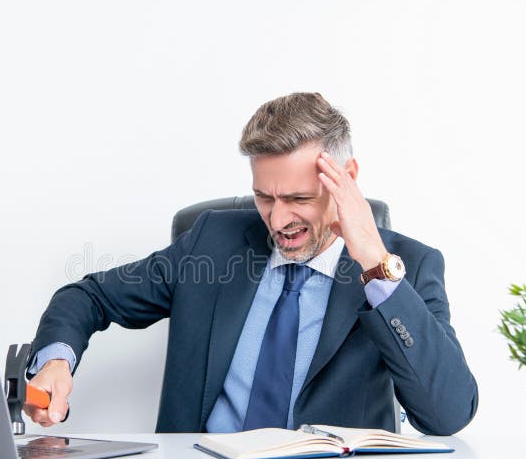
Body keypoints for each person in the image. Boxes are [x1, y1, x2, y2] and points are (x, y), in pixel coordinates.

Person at [24, 92, 478, 435]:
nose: (278, 220)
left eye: (299, 198)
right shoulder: (211, 242)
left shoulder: (408, 268)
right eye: (265, 197)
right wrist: (56, 362)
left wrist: (376, 265)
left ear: (348, 180)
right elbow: (88, 296)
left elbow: (448, 414)